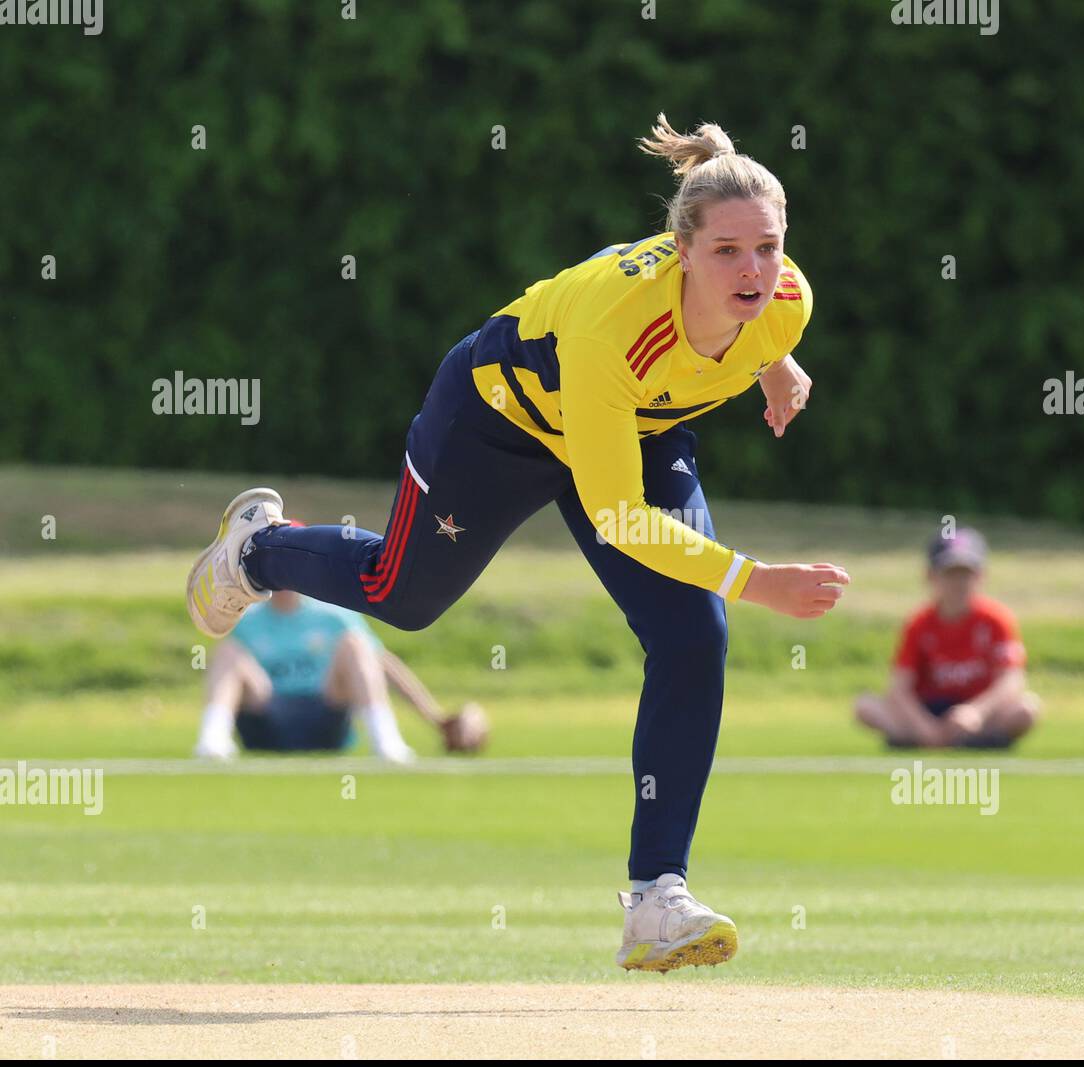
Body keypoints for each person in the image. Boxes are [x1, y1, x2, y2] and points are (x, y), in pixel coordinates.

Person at [185, 114, 850, 972]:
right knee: (404, 596)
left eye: (767, 247)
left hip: (636, 430)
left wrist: (770, 360)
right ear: (680, 249)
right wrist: (755, 579)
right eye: (727, 251)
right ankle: (258, 549)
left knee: (693, 637)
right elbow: (620, 520)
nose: (753, 269)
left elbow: (757, 319)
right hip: (502, 419)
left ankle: (656, 897)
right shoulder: (617, 326)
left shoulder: (785, 300)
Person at [194, 587, 488, 762]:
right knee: (229, 652)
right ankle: (213, 739)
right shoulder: (247, 620)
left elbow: (381, 663)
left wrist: (435, 718)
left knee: (354, 644)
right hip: (266, 718)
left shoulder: (334, 615)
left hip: (325, 714)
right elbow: (227, 674)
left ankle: (386, 741)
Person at [854, 528, 1038, 749]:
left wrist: (976, 711)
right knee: (865, 707)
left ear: (981, 576)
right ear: (931, 576)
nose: (958, 583)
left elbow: (1011, 679)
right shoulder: (919, 623)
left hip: (979, 711)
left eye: (966, 573)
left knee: (1026, 709)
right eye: (950, 573)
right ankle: (935, 739)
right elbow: (899, 687)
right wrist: (923, 725)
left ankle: (969, 738)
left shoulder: (997, 620)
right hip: (929, 708)